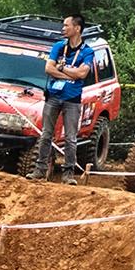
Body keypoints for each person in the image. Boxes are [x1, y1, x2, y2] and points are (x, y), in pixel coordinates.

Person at [29, 16, 93, 184]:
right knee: (46, 135)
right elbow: (48, 68)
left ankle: (68, 174)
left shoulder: (87, 51)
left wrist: (62, 68)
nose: (63, 28)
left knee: (71, 137)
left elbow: (82, 74)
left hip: (72, 99)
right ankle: (39, 170)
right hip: (53, 96)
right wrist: (70, 72)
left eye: (66, 25)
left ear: (77, 28)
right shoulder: (58, 46)